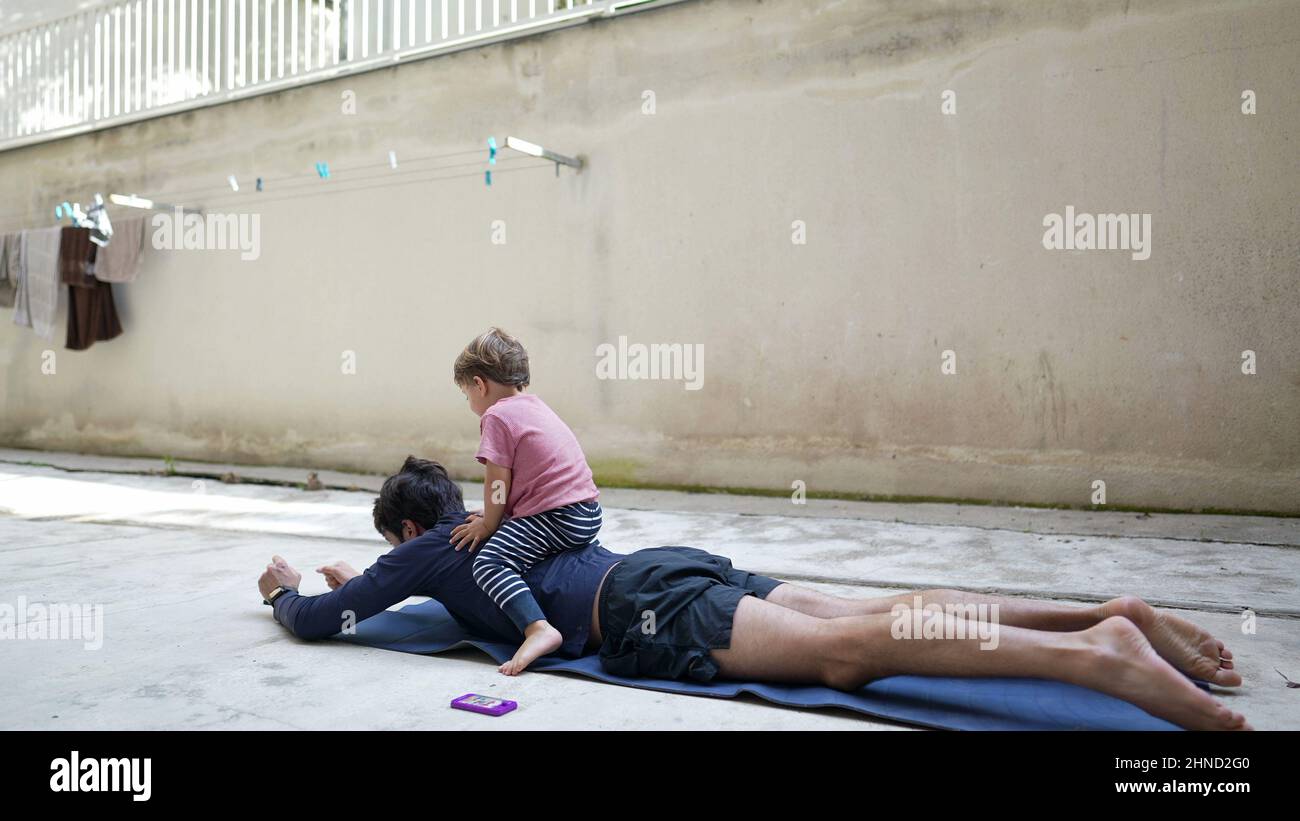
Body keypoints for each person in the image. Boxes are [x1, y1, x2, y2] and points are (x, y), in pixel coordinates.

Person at [258, 456, 1250, 731]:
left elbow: (315, 621)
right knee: (860, 614)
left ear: (401, 529)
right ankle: (1098, 614)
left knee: (848, 653)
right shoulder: (475, 536)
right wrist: (362, 583)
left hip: (644, 611)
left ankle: (1094, 660)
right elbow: (438, 597)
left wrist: (288, 584)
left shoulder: (422, 553)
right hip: (668, 569)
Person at [448, 328, 602, 674]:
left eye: (465, 394)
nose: (469, 403)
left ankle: (538, 629)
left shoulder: (497, 416)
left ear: (479, 384)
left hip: (558, 516)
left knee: (488, 564)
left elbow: (498, 482)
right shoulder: (535, 407)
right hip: (588, 514)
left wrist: (489, 523)